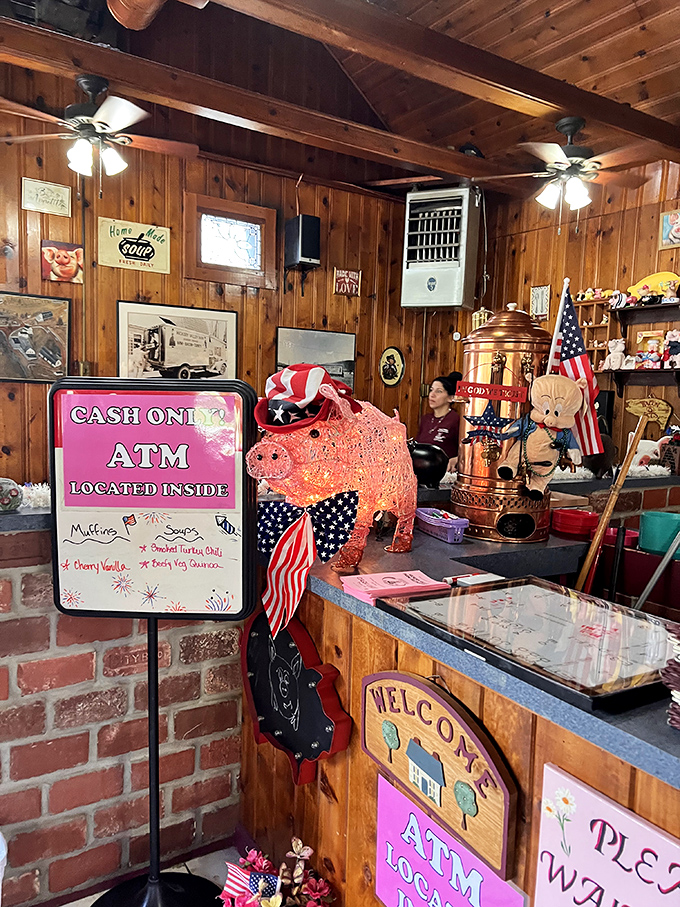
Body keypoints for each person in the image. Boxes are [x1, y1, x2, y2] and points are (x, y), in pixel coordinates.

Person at [415, 371, 462, 472]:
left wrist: (458, 459)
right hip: (421, 471)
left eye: (439, 391)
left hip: (445, 473)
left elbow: (467, 450)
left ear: (451, 398)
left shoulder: (456, 419)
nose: (432, 395)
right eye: (431, 390)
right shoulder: (425, 419)